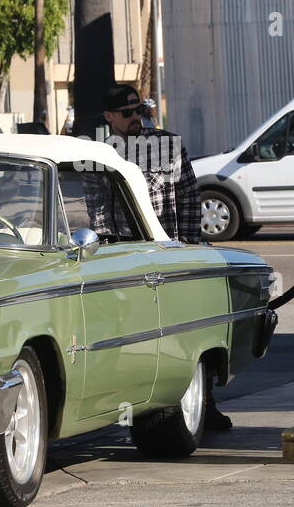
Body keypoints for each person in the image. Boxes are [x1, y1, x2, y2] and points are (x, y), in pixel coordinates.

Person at [92, 83, 232, 431]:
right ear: (109, 117)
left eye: (139, 109)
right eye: (127, 113)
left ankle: (203, 402)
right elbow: (93, 207)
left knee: (189, 333)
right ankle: (131, 406)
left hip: (165, 254)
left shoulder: (166, 145)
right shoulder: (98, 151)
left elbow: (187, 197)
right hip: (121, 260)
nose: (136, 118)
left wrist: (186, 249)